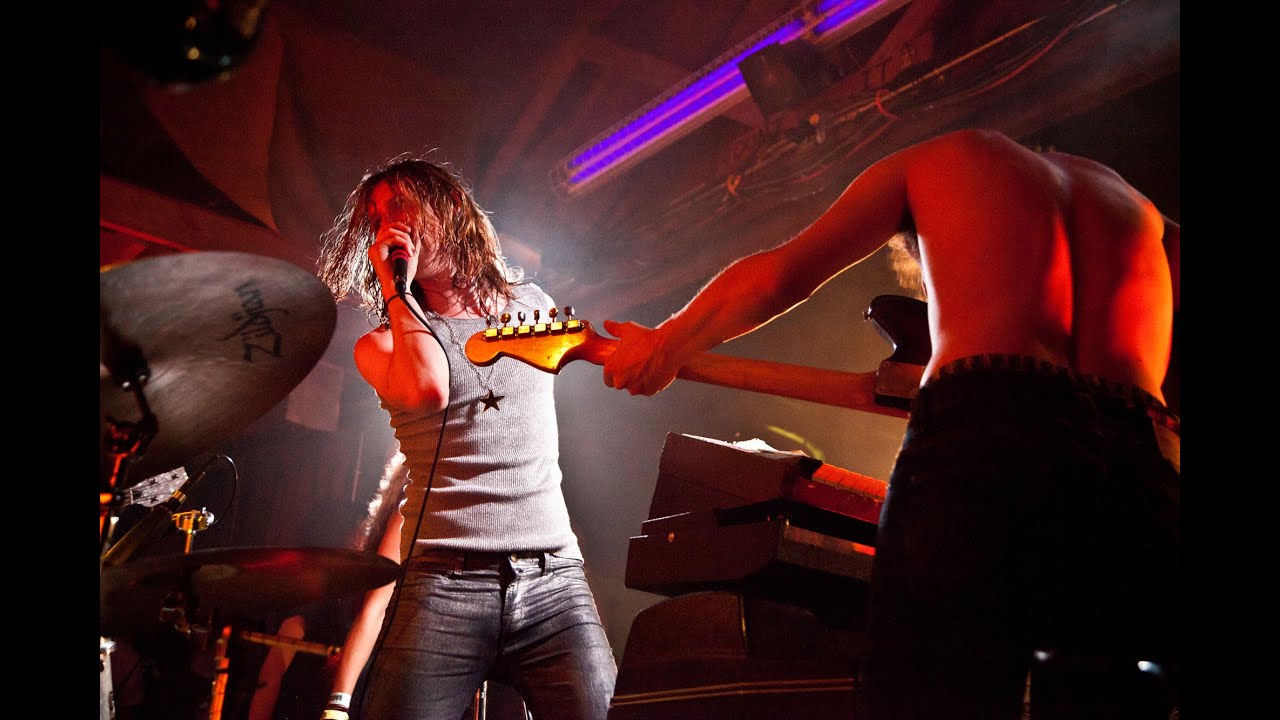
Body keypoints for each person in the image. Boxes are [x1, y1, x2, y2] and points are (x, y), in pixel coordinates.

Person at [599, 128, 1180, 720]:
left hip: (991, 414)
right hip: (1146, 446)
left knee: (931, 692)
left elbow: (780, 276)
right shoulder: (1139, 208)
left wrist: (665, 343)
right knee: (1119, 700)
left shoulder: (941, 157)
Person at [315, 154, 618, 720]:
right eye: (377, 217)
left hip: (554, 576)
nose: (389, 225)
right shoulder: (382, 344)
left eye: (400, 205)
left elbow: (592, 351)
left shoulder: (531, 306)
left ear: (450, 206)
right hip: (443, 583)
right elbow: (430, 387)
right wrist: (394, 287)